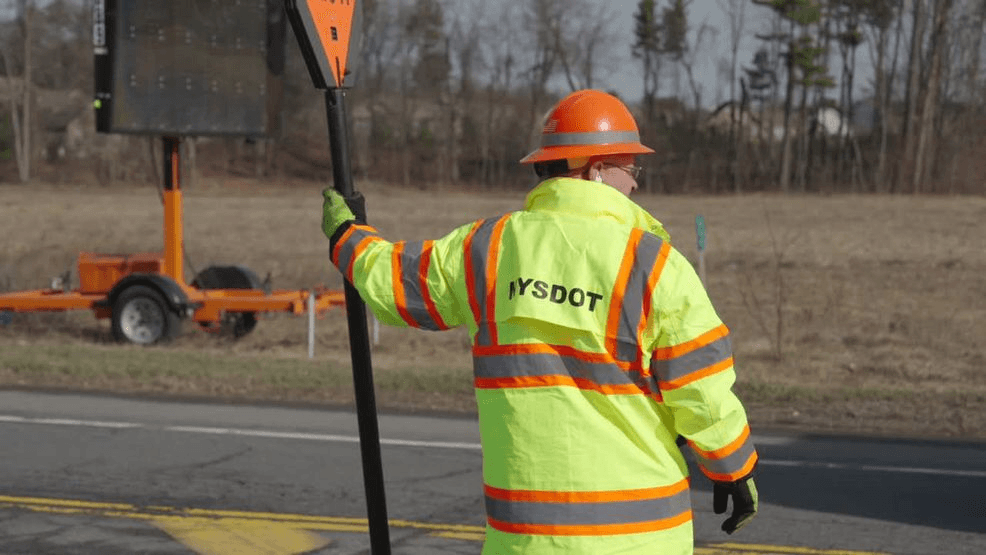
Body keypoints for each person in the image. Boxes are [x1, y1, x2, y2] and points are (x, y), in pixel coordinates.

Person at [321, 89, 758, 554]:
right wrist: (735, 468)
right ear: (595, 171)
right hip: (640, 539)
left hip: (524, 543)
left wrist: (349, 235)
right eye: (630, 170)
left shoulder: (487, 248)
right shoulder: (653, 264)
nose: (635, 185)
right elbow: (702, 393)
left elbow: (395, 282)